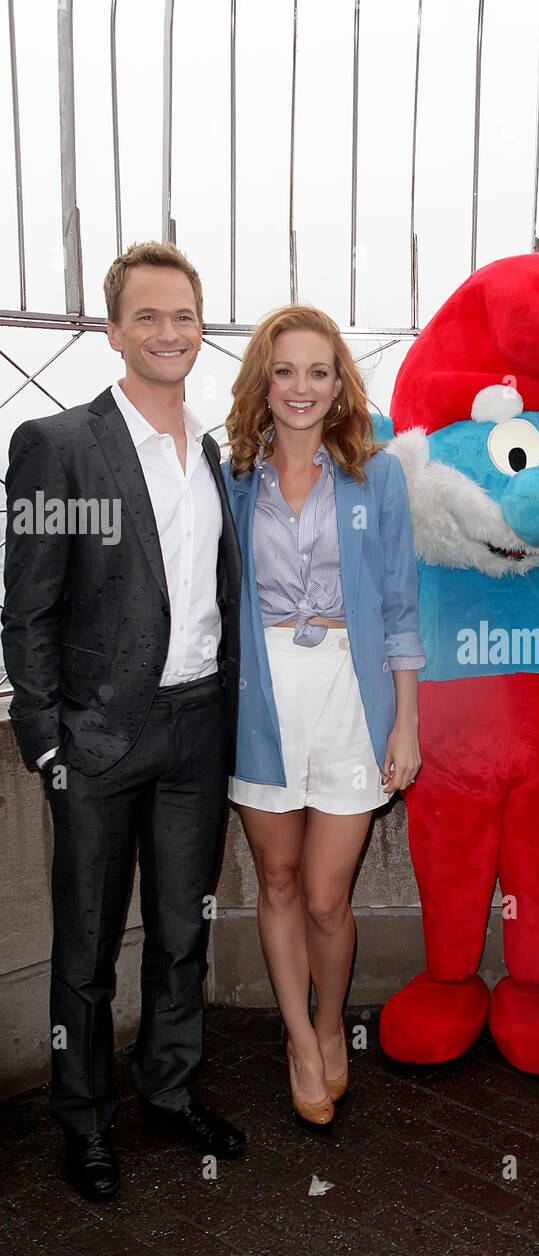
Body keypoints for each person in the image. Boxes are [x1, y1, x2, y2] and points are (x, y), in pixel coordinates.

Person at [2, 241, 246, 1202]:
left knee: (183, 930)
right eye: (147, 316)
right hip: (97, 741)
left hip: (197, 728)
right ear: (114, 332)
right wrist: (48, 741)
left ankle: (170, 1090)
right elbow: (27, 609)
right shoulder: (57, 445)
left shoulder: (214, 453)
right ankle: (84, 1118)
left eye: (183, 315)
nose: (168, 332)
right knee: (88, 945)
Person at [223, 305, 423, 1128]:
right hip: (259, 699)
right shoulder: (232, 475)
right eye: (283, 370)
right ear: (261, 382)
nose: (300, 387)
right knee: (274, 881)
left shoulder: (378, 476)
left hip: (352, 692)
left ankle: (331, 1016)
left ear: (340, 384)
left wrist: (405, 723)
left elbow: (401, 606)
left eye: (317, 371)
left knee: (324, 897)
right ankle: (301, 1040)